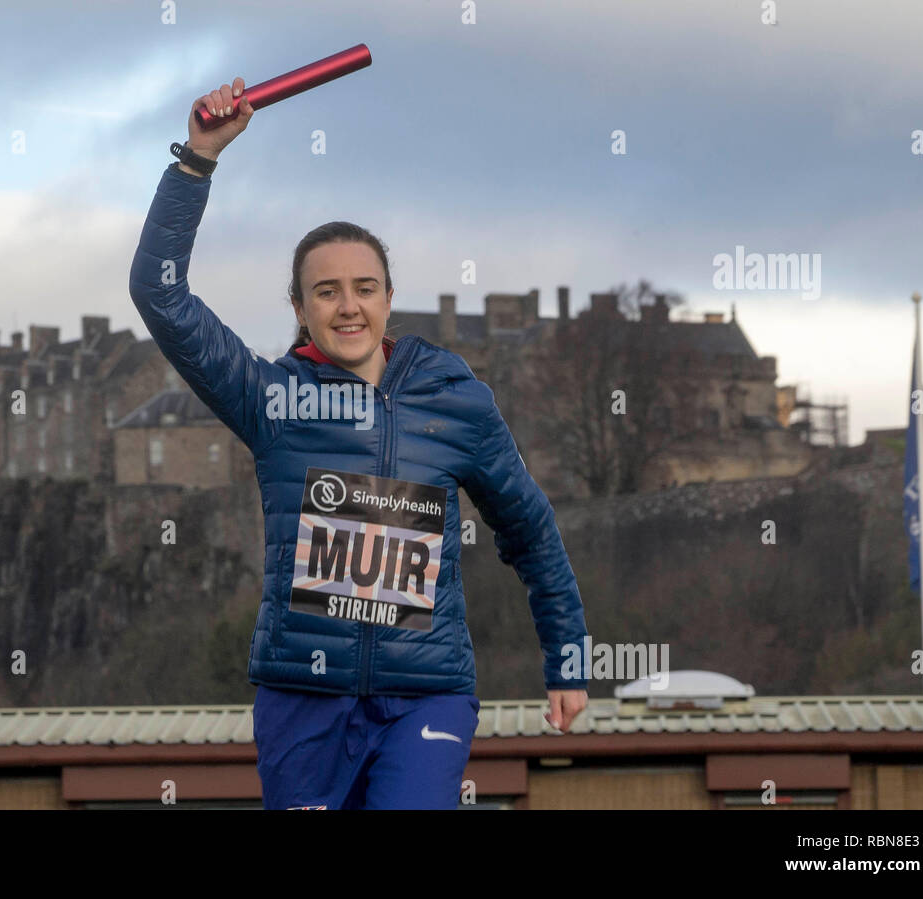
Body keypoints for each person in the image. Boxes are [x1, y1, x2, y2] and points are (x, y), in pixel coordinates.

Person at [129, 78, 589, 810]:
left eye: (366, 287)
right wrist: (198, 159)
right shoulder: (270, 400)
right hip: (303, 700)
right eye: (328, 291)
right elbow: (161, 296)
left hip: (424, 697)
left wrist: (567, 658)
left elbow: (531, 530)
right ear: (300, 309)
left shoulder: (456, 399)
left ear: (387, 297)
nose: (349, 305)